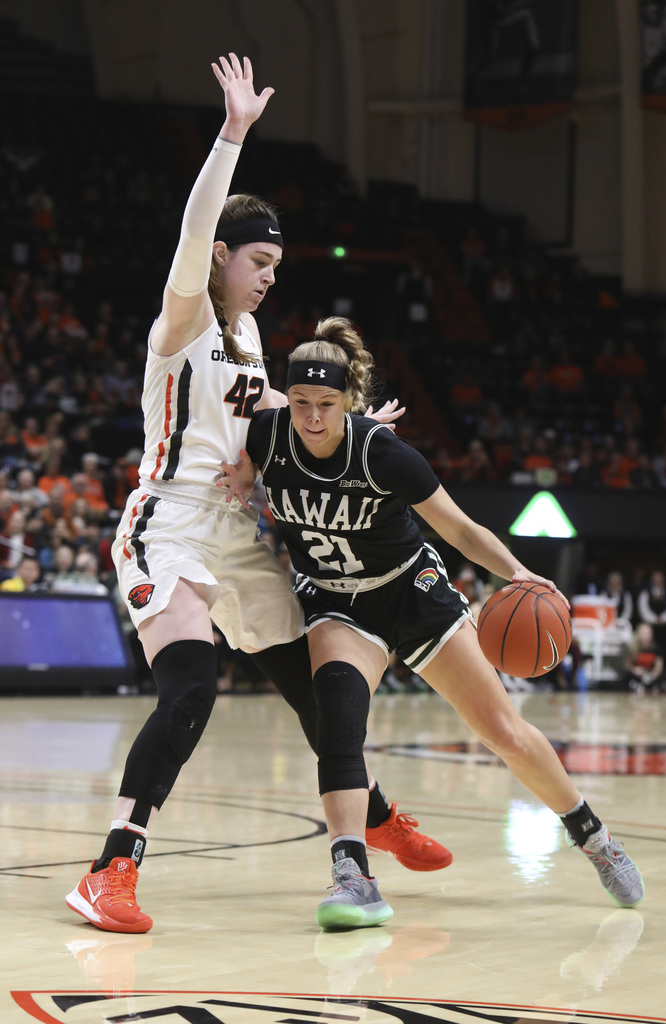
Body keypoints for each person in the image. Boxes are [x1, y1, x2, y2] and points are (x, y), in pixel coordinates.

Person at [65, 55, 449, 937]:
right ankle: (110, 869)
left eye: (277, 262)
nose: (271, 274)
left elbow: (272, 404)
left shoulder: (243, 331)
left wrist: (353, 424)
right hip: (169, 522)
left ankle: (373, 814)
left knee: (316, 688)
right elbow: (195, 229)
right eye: (260, 260)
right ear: (222, 257)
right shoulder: (186, 316)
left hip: (237, 531)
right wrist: (232, 134)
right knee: (191, 690)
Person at [223, 315, 644, 930]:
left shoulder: (382, 452)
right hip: (337, 603)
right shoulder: (266, 435)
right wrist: (241, 473)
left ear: (348, 401)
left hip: (411, 593)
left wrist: (520, 573)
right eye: (302, 401)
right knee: (338, 723)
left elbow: (462, 531)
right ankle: (352, 875)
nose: (311, 416)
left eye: (326, 404)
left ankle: (593, 835)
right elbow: (227, 425)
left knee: (502, 730)